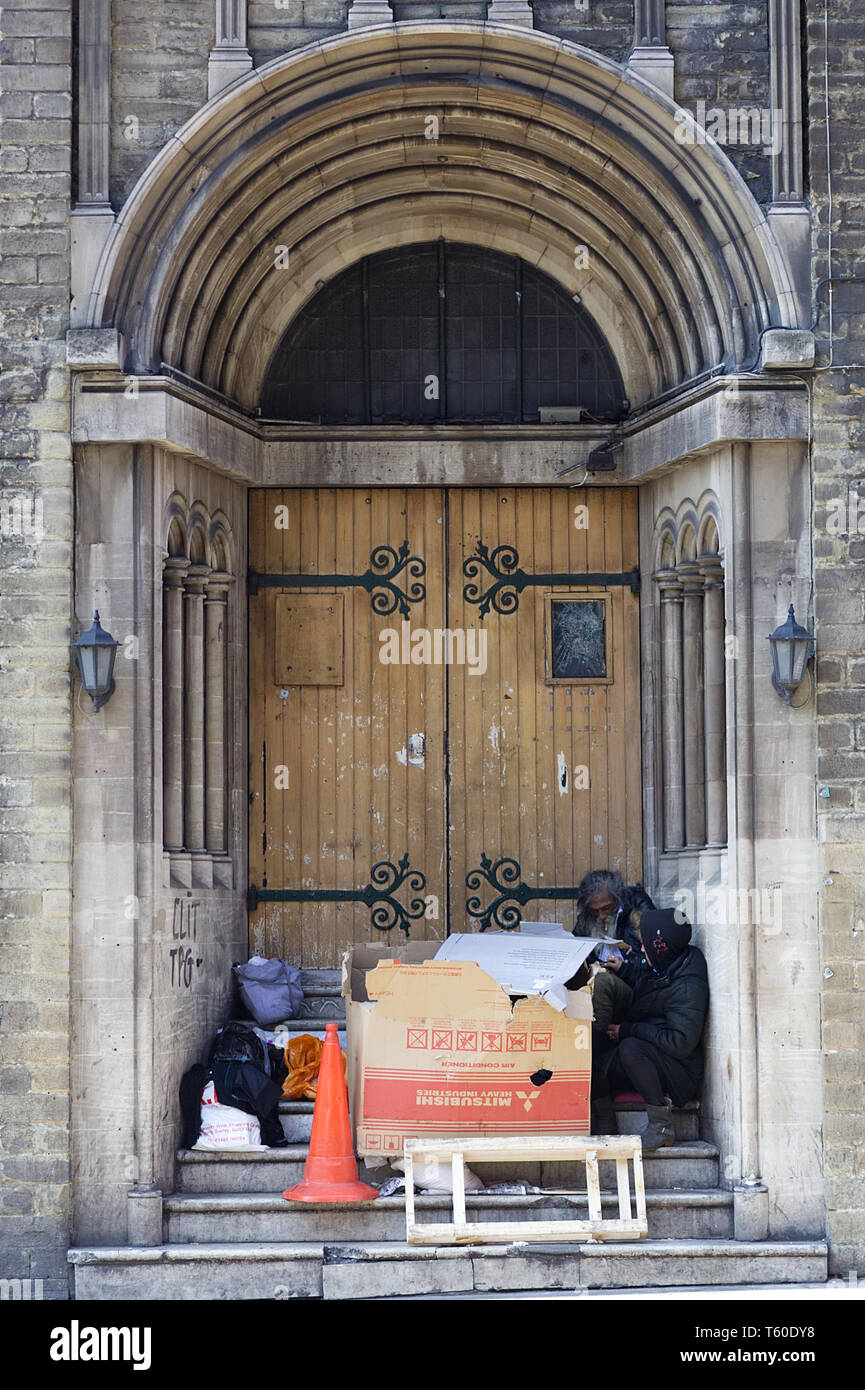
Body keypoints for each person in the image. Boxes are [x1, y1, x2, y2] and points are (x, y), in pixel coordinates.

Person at [589, 907, 709, 1151]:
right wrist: (623, 969)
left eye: (646, 945)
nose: (642, 949)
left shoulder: (689, 987)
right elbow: (653, 985)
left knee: (630, 1048)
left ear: (661, 946)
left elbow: (680, 1042)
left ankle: (661, 1126)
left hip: (677, 1074)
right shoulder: (670, 960)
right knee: (591, 1043)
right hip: (649, 1045)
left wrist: (628, 1030)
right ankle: (604, 1115)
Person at [568, 870, 655, 1033]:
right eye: (595, 911)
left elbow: (656, 961)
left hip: (636, 989)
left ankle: (595, 1046)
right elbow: (574, 953)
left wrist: (624, 967)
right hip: (596, 986)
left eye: (606, 908)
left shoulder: (637, 908)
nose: (601, 916)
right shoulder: (587, 919)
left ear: (617, 898)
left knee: (603, 982)